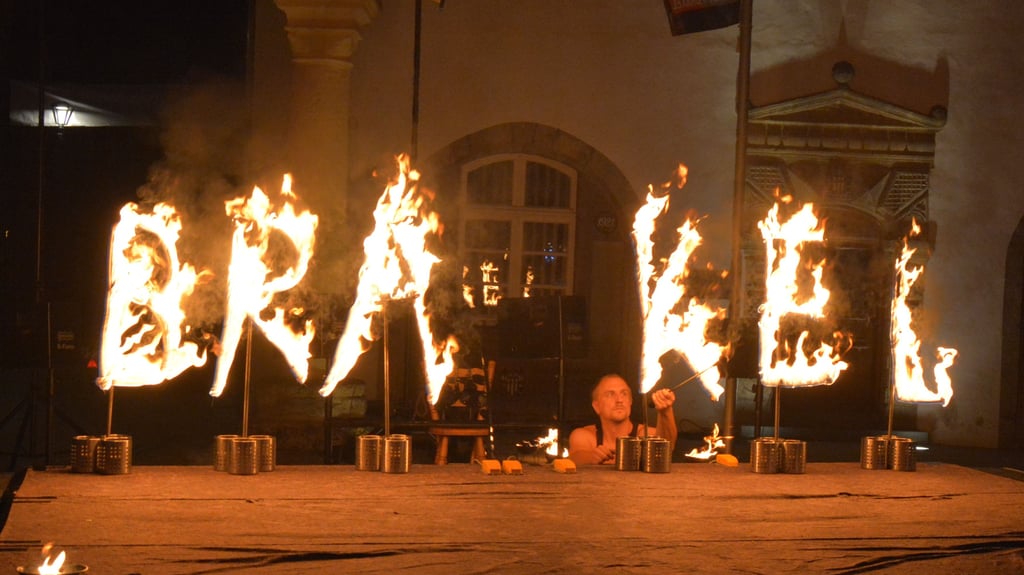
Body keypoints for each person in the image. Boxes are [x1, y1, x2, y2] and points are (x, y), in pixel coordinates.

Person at [568, 373, 677, 465]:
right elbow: (576, 456)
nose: (619, 400)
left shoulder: (644, 434)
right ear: (597, 406)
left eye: (624, 394)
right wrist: (591, 457)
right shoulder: (585, 436)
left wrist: (665, 411)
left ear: (630, 402)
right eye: (610, 394)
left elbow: (664, 447)